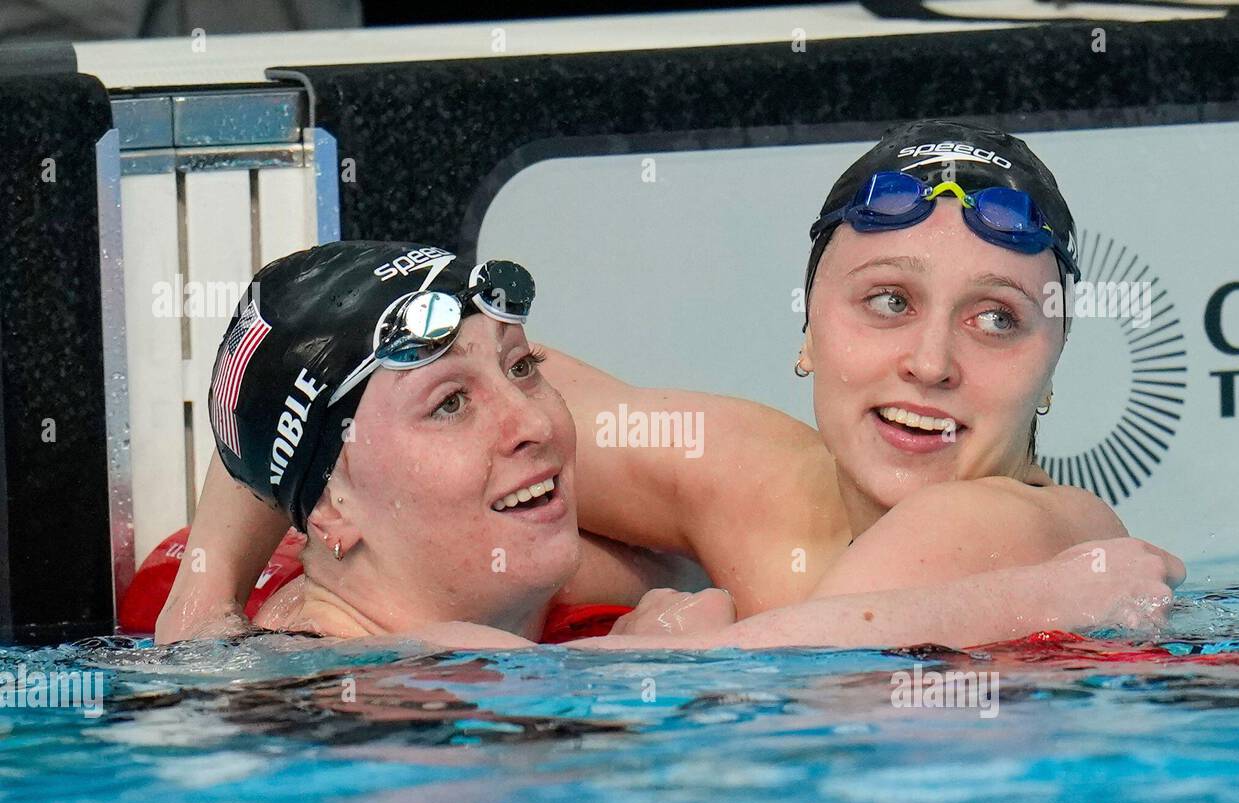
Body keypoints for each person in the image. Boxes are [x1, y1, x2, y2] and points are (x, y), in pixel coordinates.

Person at [157, 121, 1186, 646]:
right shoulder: (737, 470)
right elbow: (328, 366)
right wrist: (201, 608)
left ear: (1053, 368)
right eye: (886, 300)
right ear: (805, 329)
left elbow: (798, 682)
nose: (931, 361)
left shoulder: (1003, 522)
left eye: (996, 318)